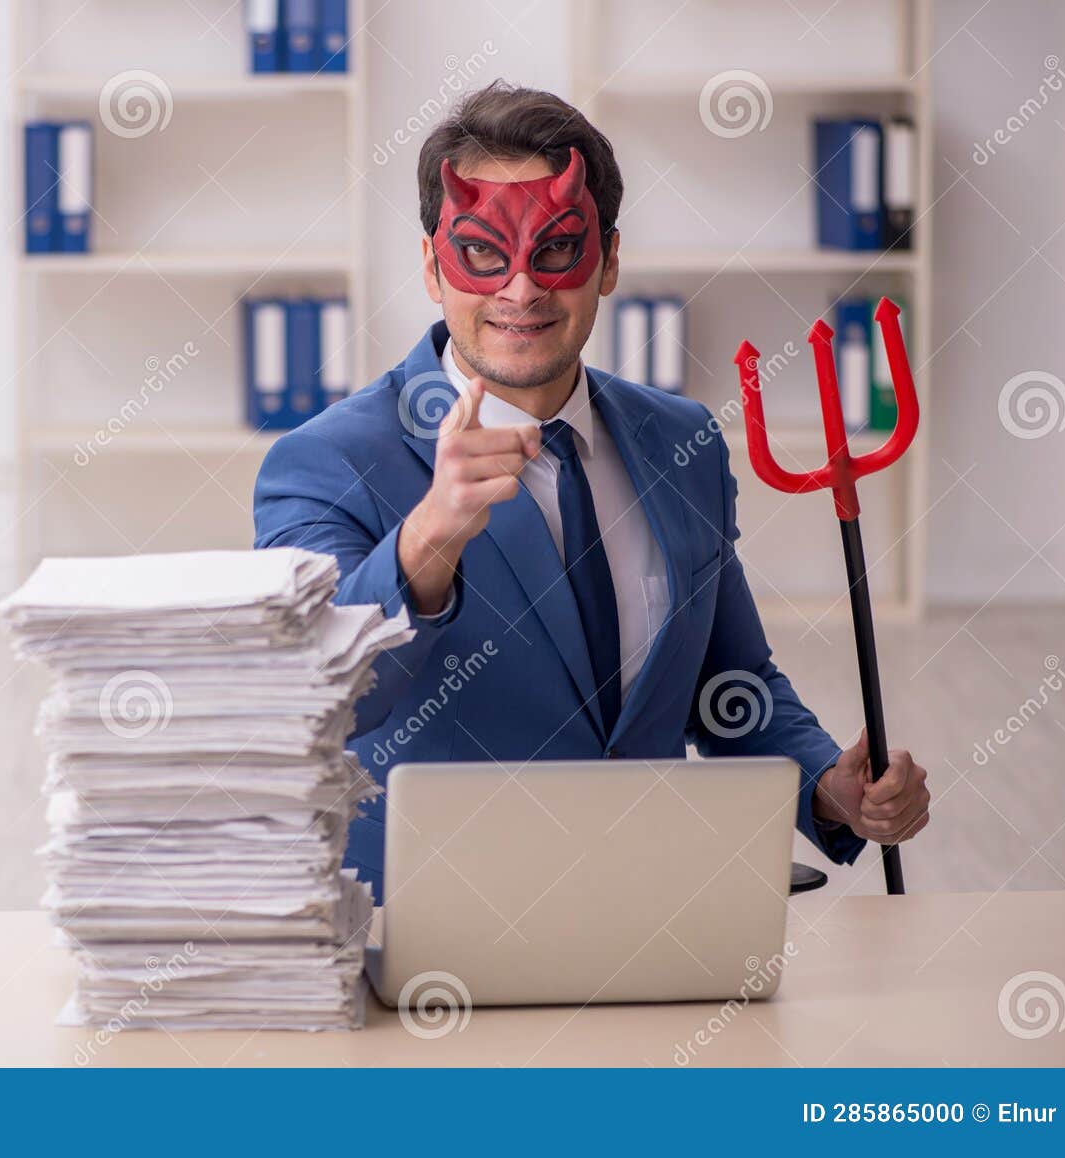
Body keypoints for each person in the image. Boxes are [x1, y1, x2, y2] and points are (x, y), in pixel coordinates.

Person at [252, 82, 930, 904]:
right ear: (433, 267)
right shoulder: (324, 461)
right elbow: (312, 706)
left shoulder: (682, 442)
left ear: (609, 261)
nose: (521, 290)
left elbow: (726, 679)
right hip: (426, 945)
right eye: (481, 254)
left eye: (557, 250)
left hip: (643, 913)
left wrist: (826, 787)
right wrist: (428, 538)